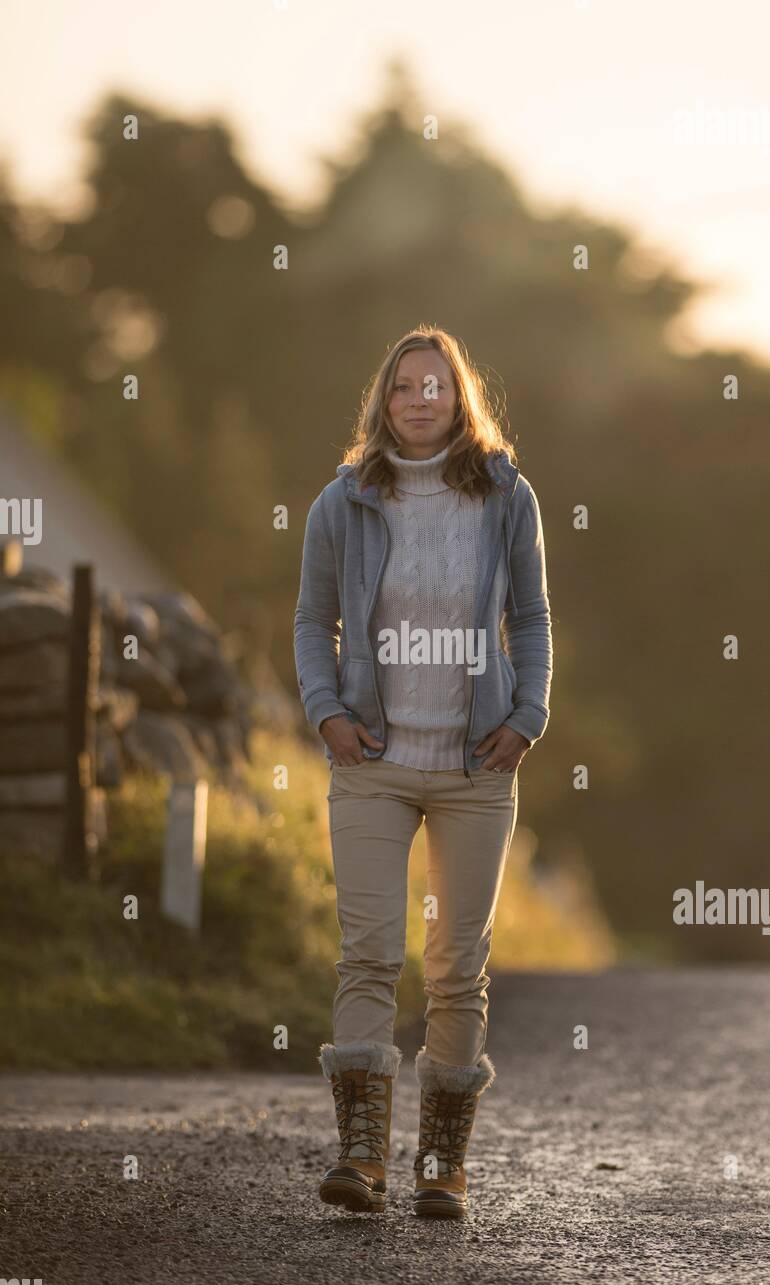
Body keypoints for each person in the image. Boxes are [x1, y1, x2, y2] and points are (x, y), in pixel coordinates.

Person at [294, 325, 553, 1217]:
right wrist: (326, 712)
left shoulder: (505, 495)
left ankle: (441, 1161)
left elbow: (532, 619)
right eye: (403, 386)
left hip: (477, 768)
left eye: (433, 385)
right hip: (372, 761)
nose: (417, 399)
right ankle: (361, 1157)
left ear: (458, 397)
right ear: (383, 400)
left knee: (454, 967)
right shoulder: (344, 501)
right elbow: (311, 621)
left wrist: (528, 718)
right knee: (367, 955)